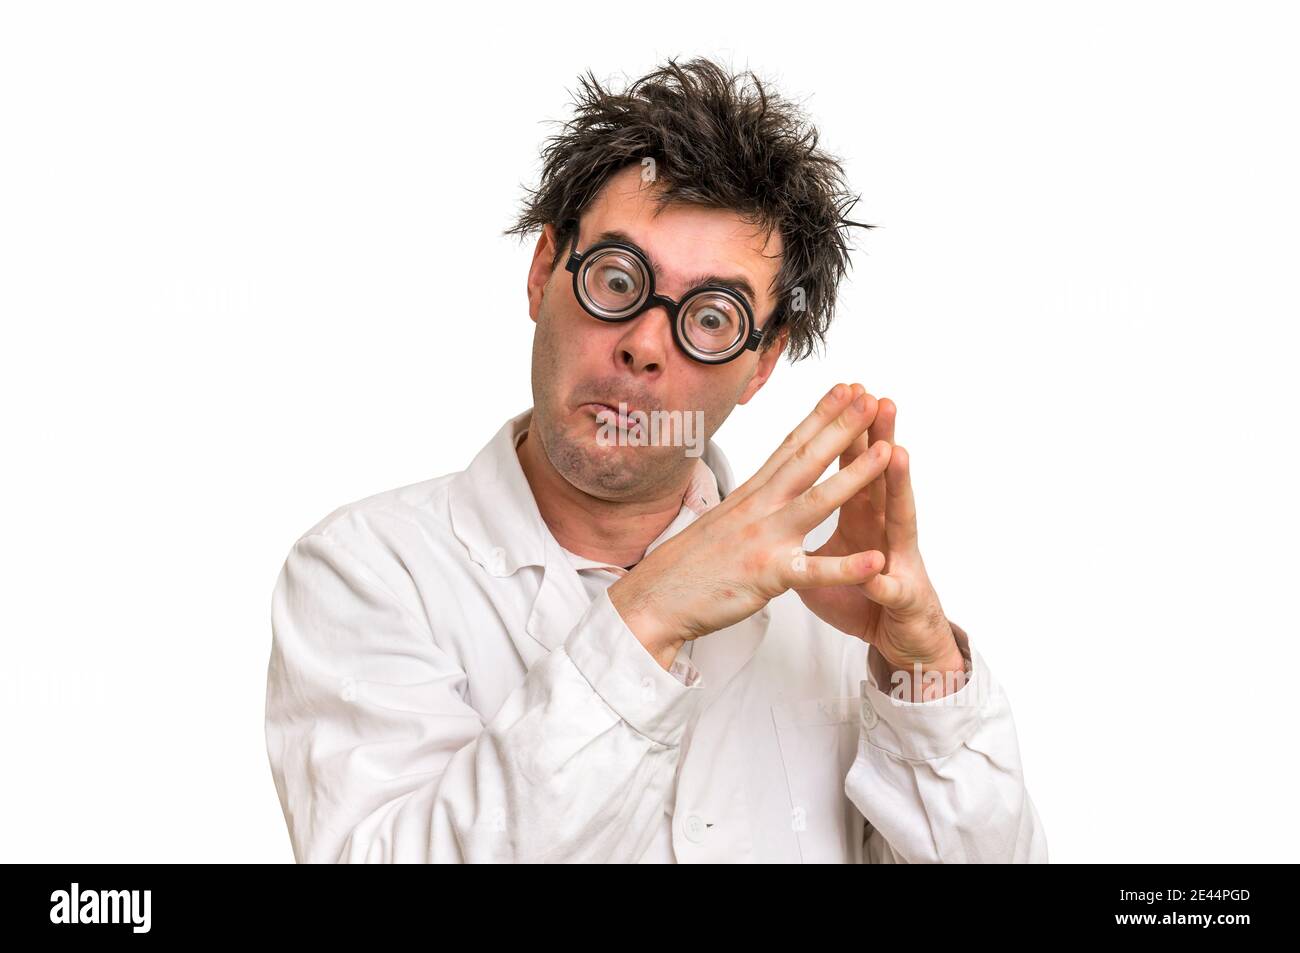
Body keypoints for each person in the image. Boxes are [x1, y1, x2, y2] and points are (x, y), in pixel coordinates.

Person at [263, 56, 1048, 863]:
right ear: (542, 273)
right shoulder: (363, 571)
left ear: (763, 362)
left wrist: (924, 675)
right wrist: (649, 614)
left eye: (711, 317)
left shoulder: (838, 603)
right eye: (616, 277)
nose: (642, 344)